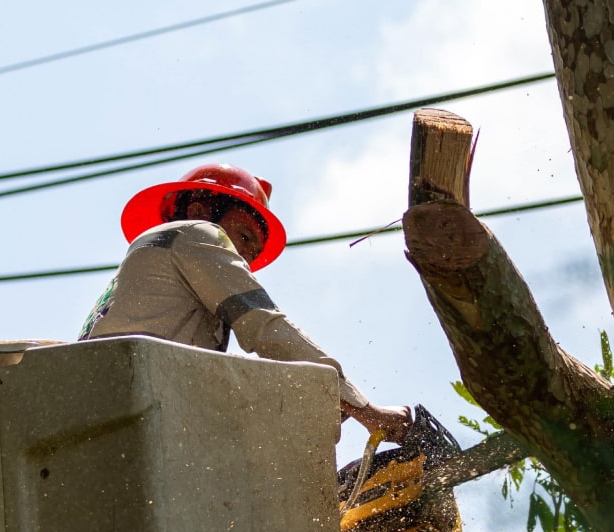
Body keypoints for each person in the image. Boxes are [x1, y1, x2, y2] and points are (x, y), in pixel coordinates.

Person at [82, 163, 413, 437]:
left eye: (250, 254)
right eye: (242, 236)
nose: (241, 258)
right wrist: (367, 410)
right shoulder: (197, 233)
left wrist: (322, 399)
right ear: (198, 210)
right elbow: (263, 325)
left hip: (108, 409)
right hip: (136, 406)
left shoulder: (150, 265)